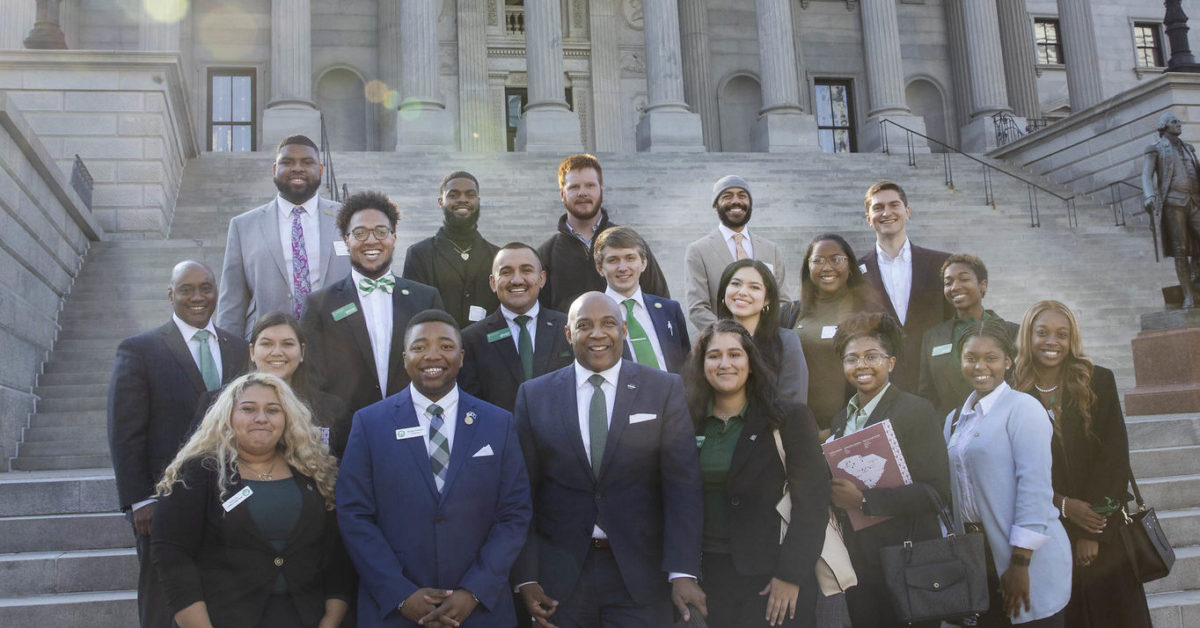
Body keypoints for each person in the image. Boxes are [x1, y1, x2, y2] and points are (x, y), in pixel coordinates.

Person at [512, 292, 706, 628]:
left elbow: (683, 486)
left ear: (625, 329)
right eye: (584, 325)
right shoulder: (534, 396)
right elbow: (521, 494)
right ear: (569, 334)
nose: (598, 334)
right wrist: (526, 576)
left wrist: (683, 570)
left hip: (642, 575)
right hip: (561, 580)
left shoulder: (663, 389)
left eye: (608, 324)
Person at [337, 309, 531, 628]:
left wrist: (474, 590)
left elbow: (514, 513)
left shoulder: (498, 422)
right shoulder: (369, 423)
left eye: (445, 345)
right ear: (404, 357)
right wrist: (400, 593)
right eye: (419, 347)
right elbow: (354, 514)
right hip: (394, 612)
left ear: (462, 356)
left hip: (479, 611)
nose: (432, 355)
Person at [107, 259, 250, 628]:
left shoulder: (240, 349)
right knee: (163, 600)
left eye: (206, 287)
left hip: (228, 494)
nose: (197, 296)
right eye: (186, 289)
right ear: (170, 295)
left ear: (217, 293)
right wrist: (139, 498)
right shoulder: (140, 350)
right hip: (163, 500)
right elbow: (125, 431)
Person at [152, 372, 351, 628]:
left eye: (272, 410)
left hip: (307, 616)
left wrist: (330, 621)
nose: (261, 418)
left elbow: (337, 554)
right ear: (228, 416)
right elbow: (172, 555)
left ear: (287, 418)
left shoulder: (314, 471)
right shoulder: (197, 473)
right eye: (248, 409)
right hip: (223, 618)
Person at [1013, 301, 1152, 628]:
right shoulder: (1011, 390)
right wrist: (1062, 504)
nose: (1052, 342)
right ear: (1027, 336)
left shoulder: (1098, 380)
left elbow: (1114, 460)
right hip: (1045, 531)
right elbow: (1011, 469)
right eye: (1042, 332)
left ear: (1072, 339)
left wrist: (1094, 530)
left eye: (1062, 334)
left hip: (1101, 531)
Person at [684, 319, 828, 628]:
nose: (725, 364)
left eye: (735, 354)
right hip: (711, 576)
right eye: (714, 356)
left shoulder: (789, 418)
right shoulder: (686, 422)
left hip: (775, 578)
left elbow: (813, 505)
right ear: (702, 364)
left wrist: (791, 575)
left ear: (751, 363)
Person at [946, 320, 1072, 627]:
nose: (980, 366)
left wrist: (1020, 564)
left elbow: (1035, 489)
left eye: (990, 358)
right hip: (979, 559)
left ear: (1008, 361)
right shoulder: (954, 419)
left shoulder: (1023, 409)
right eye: (971, 357)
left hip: (1028, 560)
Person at [828, 313, 950, 628]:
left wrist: (865, 500)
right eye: (851, 358)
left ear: (891, 363)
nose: (862, 365)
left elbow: (936, 493)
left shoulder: (915, 410)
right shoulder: (841, 419)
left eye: (872, 357)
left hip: (907, 559)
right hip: (859, 563)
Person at [300, 190, 444, 417]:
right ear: (346, 241)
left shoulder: (425, 299)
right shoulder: (319, 305)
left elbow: (439, 365)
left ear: (393, 237)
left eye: (381, 231)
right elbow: (311, 378)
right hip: (346, 434)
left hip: (414, 425)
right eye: (360, 233)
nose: (371, 240)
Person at [217, 134, 350, 338]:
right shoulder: (243, 226)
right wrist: (229, 355)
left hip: (336, 343)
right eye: (287, 162)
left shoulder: (348, 219)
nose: (297, 168)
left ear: (321, 170)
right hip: (269, 347)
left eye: (307, 162)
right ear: (274, 169)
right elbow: (232, 302)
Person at [537, 154, 670, 312]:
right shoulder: (547, 253)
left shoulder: (630, 242)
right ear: (562, 194)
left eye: (590, 186)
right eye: (574, 187)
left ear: (601, 190)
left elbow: (660, 300)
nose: (582, 193)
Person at [858, 181, 952, 390]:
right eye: (878, 207)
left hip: (937, 382)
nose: (886, 212)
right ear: (868, 218)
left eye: (894, 205)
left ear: (907, 212)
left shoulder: (942, 264)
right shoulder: (855, 273)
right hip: (884, 385)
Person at [459, 243, 574, 411]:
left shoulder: (568, 329)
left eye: (526, 270)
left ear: (541, 279)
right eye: (506, 272)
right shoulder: (471, 340)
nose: (517, 280)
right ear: (492, 282)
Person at [793, 234, 882, 433]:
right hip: (801, 430)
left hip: (854, 427)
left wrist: (839, 427)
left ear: (850, 265)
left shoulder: (870, 312)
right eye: (818, 260)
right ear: (808, 267)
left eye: (836, 259)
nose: (827, 267)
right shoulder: (792, 313)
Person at [684, 175, 791, 330]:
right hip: (723, 344)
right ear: (715, 206)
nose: (736, 201)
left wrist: (763, 332)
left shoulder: (771, 249)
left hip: (767, 342)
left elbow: (783, 302)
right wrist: (732, 335)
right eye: (727, 196)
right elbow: (697, 308)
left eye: (742, 196)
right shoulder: (698, 250)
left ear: (750, 205)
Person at [918, 254, 1019, 417]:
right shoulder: (933, 337)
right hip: (952, 432)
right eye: (948, 282)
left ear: (982, 285)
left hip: (1001, 426)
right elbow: (927, 394)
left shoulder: (1013, 333)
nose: (955, 287)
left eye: (964, 279)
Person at [402, 171, 501, 328]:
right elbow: (413, 312)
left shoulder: (497, 256)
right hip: (439, 348)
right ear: (441, 201)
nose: (463, 200)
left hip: (486, 348)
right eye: (453, 195)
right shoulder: (419, 254)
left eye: (470, 195)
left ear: (478, 201)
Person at [246, 312, 351, 458]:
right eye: (267, 344)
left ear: (302, 351)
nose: (277, 352)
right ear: (252, 352)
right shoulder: (228, 405)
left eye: (287, 344)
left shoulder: (330, 408)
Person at [595, 226, 690, 373]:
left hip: (673, 394)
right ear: (600, 268)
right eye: (613, 260)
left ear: (644, 263)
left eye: (630, 258)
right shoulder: (592, 316)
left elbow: (686, 363)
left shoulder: (669, 310)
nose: (623, 267)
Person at [717, 259, 809, 410]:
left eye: (754, 287)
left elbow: (794, 404)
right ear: (724, 291)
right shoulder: (709, 341)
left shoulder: (786, 341)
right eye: (735, 284)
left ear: (767, 299)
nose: (742, 292)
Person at [1142, 111, 1200, 307]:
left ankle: (1194, 278)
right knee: (1180, 249)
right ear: (1164, 126)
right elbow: (1146, 176)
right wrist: (1149, 195)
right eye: (1174, 122)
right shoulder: (1156, 149)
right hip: (1173, 202)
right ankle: (1188, 295)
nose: (1179, 124)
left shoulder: (1189, 149)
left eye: (1179, 121)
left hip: (1194, 201)